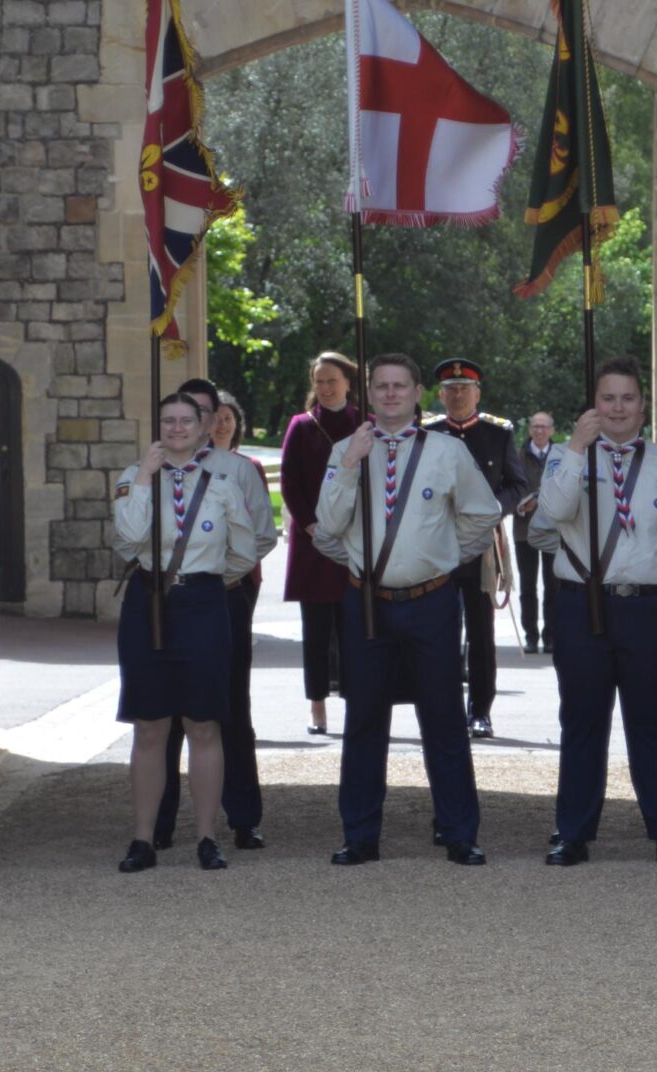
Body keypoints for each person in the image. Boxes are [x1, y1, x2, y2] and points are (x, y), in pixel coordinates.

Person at [316, 352, 501, 866]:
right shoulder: (346, 449)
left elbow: (482, 516)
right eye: (381, 386)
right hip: (365, 603)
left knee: (442, 719)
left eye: (400, 385)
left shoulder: (447, 452)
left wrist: (438, 558)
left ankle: (459, 830)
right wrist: (350, 463)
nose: (391, 394)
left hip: (430, 603)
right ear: (369, 394)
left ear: (417, 392)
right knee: (364, 721)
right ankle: (360, 833)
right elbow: (328, 527)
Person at [535, 355, 657, 870]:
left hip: (644, 608)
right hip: (580, 606)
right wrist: (573, 449)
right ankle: (572, 832)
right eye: (607, 398)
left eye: (627, 398)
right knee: (583, 720)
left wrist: (652, 555)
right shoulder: (568, 459)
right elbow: (551, 515)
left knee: (651, 719)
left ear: (642, 405)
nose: (617, 408)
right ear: (594, 404)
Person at [113, 391, 264, 873]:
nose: (177, 428)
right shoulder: (131, 478)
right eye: (167, 421)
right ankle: (142, 839)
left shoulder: (221, 482)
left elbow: (244, 549)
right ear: (157, 426)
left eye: (187, 420)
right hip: (148, 603)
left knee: (204, 724)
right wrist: (142, 477)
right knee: (150, 725)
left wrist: (208, 579)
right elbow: (128, 540)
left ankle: (205, 836)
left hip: (202, 603)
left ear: (205, 428)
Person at [145, 377, 277, 853]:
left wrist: (219, 578)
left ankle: (243, 816)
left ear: (212, 420)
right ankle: (160, 820)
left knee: (228, 710)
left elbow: (261, 535)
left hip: (221, 597)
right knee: (164, 715)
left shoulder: (237, 470)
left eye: (203, 412)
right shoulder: (152, 468)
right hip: (166, 599)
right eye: (184, 412)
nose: (194, 420)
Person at [422, 358, 527, 738]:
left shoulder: (497, 433)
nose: (457, 394)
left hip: (482, 547)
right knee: (439, 630)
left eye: (464, 388)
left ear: (477, 393)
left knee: (481, 632)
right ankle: (443, 707)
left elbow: (517, 484)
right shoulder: (427, 433)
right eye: (450, 389)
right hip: (438, 543)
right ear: (440, 394)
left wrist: (492, 510)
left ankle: (480, 711)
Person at [280, 352, 363, 735]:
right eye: (320, 381)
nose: (326, 388)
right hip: (314, 543)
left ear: (347, 382)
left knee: (355, 629)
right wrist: (312, 526)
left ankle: (358, 703)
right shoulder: (301, 426)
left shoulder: (366, 425)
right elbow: (290, 484)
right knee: (315, 631)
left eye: (333, 380)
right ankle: (317, 706)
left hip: (354, 541)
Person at [512, 411, 558, 654]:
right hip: (524, 530)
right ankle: (531, 635)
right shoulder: (517, 456)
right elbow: (511, 485)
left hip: (554, 531)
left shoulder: (561, 456)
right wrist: (522, 502)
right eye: (535, 426)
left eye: (544, 426)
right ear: (530, 430)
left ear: (551, 430)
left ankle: (551, 636)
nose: (539, 431)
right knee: (528, 586)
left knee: (554, 585)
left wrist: (540, 499)